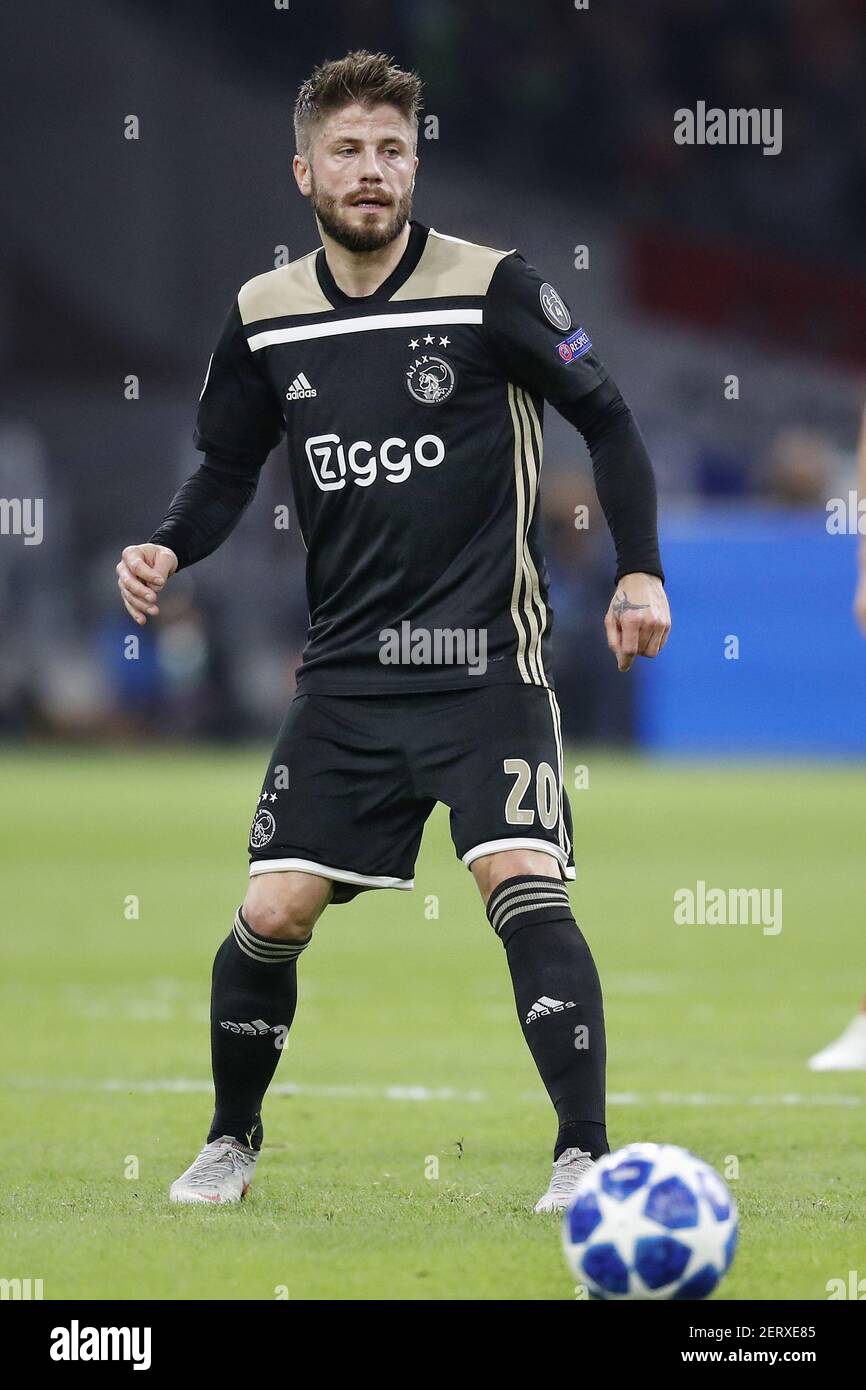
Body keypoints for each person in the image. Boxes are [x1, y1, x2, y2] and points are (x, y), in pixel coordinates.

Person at [116, 50, 670, 1209]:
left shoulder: (492, 288)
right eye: (348, 151)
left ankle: (582, 1153)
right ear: (303, 170)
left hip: (485, 667)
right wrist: (170, 540)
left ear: (415, 161)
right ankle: (229, 1142)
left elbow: (607, 422)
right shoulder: (264, 317)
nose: (372, 171)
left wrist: (638, 574)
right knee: (271, 912)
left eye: (392, 150)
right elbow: (225, 464)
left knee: (520, 879)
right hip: (349, 678)